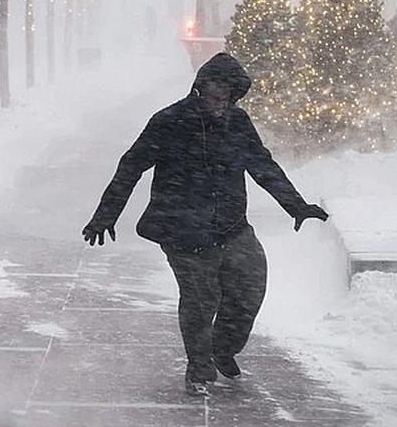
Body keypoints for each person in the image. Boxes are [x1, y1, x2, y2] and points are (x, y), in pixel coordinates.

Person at [81, 53, 328, 396]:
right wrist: (105, 216)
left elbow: (263, 166)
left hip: (232, 227)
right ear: (199, 87)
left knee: (250, 287)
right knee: (201, 300)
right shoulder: (168, 121)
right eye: (216, 92)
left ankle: (222, 349)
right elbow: (130, 167)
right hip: (183, 231)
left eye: (229, 94)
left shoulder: (238, 122)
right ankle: (199, 368)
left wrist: (296, 206)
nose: (222, 100)